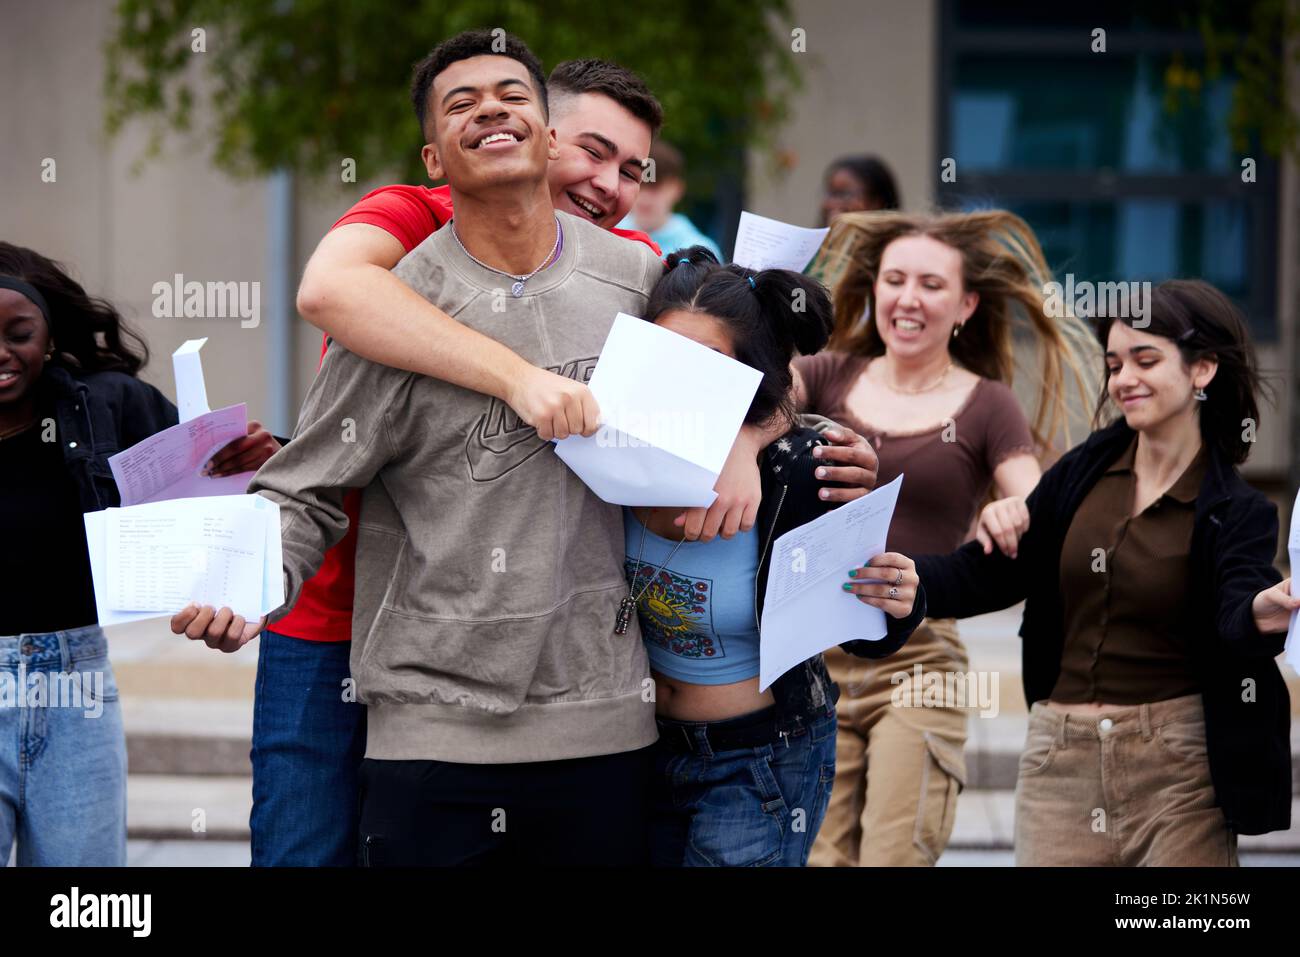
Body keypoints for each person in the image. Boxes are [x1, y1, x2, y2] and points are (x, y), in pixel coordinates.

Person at [912, 279, 1296, 865]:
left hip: (1179, 768)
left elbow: (1235, 605)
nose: (1124, 380)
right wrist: (911, 584)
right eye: (1115, 365)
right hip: (1059, 763)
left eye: (1146, 360)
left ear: (1202, 371)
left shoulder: (1237, 510)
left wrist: (1259, 613)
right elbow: (991, 575)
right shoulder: (1080, 474)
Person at [795, 209, 1098, 866]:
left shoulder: (988, 403)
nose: (908, 298)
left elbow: (1037, 502)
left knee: (894, 857)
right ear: (874, 291)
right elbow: (754, 393)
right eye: (895, 279)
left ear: (965, 305)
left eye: (931, 285)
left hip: (919, 661)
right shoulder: (825, 375)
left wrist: (1012, 510)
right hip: (813, 657)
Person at [628, 247, 924, 866]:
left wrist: (901, 599)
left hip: (760, 759)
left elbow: (867, 634)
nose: (683, 379)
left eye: (708, 364)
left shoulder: (799, 468)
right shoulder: (614, 451)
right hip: (640, 751)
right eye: (666, 358)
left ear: (748, 372)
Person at [0, 242, 277, 866]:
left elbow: (215, 480)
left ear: (47, 337)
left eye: (18, 333)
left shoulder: (102, 405)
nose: (1, 353)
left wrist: (260, 454)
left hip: (75, 684)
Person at [620, 141, 722, 259]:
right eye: (640, 185)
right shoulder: (608, 233)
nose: (645, 198)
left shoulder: (701, 254)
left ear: (677, 189)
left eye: (655, 188)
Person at [819, 154, 900, 226]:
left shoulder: (902, 242)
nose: (832, 203)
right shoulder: (815, 241)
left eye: (843, 194)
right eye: (831, 193)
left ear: (876, 202)